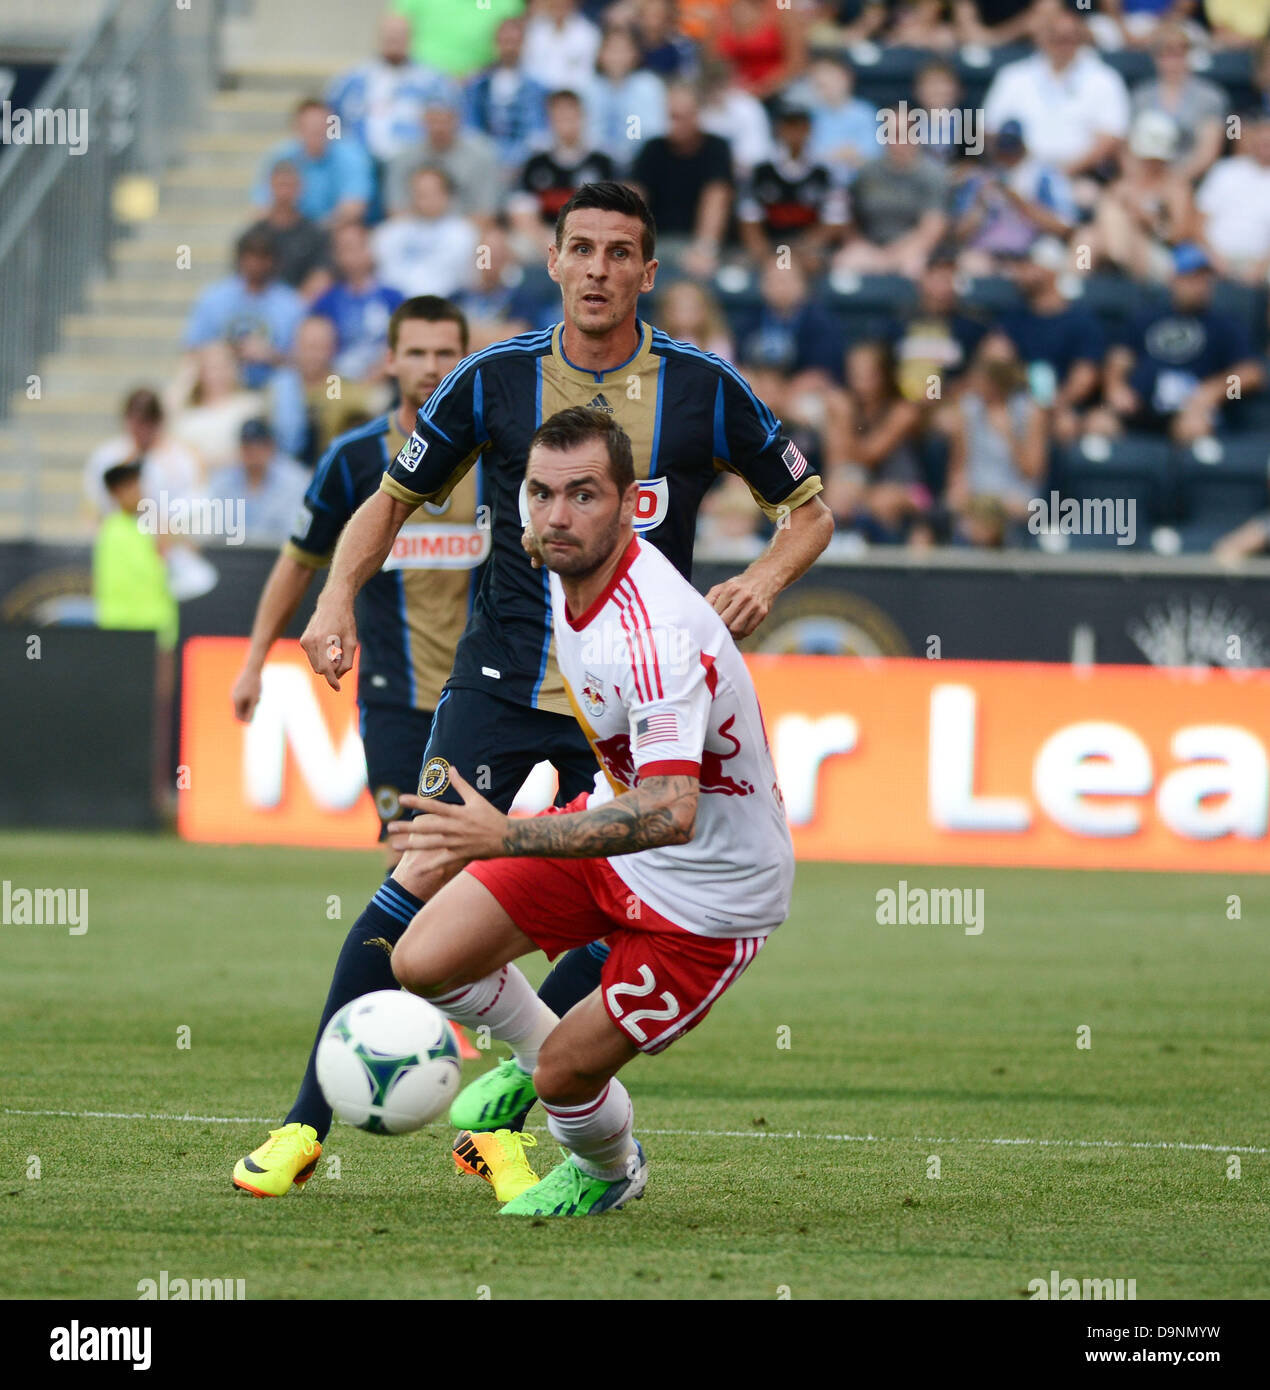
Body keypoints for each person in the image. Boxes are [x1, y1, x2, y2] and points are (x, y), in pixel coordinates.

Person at [267, 181, 831, 1205]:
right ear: (555, 262)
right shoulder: (492, 380)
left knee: (617, 889)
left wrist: (763, 577)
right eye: (583, 249)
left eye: (622, 252)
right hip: (498, 678)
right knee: (417, 884)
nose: (601, 269)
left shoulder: (703, 390)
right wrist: (338, 597)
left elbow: (808, 508)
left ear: (648, 273)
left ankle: (548, 1090)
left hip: (624, 704)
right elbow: (388, 501)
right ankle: (305, 1120)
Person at [384, 406, 794, 1216]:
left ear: (633, 505)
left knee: (568, 1074)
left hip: (710, 898)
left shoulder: (654, 634)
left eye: (583, 496)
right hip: (615, 837)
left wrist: (505, 834)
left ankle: (611, 1170)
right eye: (541, 494)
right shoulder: (564, 578)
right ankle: (536, 1056)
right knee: (420, 961)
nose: (557, 515)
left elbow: (673, 811)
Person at [229, 297, 487, 1195]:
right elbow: (299, 565)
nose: (428, 366)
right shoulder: (352, 465)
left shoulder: (502, 459)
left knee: (473, 904)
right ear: (390, 360)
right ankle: (338, 1106)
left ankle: (401, 1093)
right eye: (413, 352)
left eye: (444, 352)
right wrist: (257, 658)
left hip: (499, 716)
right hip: (397, 712)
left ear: (466, 359)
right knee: (418, 891)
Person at [1090, 243, 1265, 441]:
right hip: (1140, 407)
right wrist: (1116, 387)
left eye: (1204, 278)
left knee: (1193, 429)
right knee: (1098, 423)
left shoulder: (1224, 324)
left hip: (1191, 411)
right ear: (1174, 280)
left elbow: (1251, 374)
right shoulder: (1147, 317)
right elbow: (1120, 358)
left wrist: (1214, 391)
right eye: (1191, 278)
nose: (1199, 285)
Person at [93, 460, 180, 815]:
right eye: (130, 486)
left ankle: (152, 797)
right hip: (122, 636)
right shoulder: (113, 530)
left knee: (156, 718)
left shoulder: (146, 528)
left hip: (155, 635)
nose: (137, 492)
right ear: (116, 493)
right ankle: (121, 795)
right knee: (124, 718)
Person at [983, 6, 1130, 177]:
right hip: (1015, 174)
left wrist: (1061, 174)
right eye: (1055, 37)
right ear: (1041, 37)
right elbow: (987, 129)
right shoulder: (1013, 76)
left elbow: (1111, 136)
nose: (1061, 44)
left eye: (1068, 38)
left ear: (1079, 39)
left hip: (1081, 177)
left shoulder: (1105, 79)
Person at [944, 333, 1049, 546]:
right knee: (963, 515)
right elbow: (958, 469)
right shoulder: (967, 408)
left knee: (999, 517)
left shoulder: (1030, 410)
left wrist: (1009, 435)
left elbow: (1033, 472)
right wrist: (959, 491)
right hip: (976, 497)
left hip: (1014, 499)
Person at [999, 237, 1104, 443]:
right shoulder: (1014, 318)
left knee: (1065, 426)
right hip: (1017, 402)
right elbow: (994, 358)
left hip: (1062, 407)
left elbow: (1084, 378)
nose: (1019, 273)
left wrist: (1055, 404)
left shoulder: (1081, 321)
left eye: (1028, 265)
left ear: (1049, 270)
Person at [630, 81, 733, 277]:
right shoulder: (653, 148)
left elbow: (716, 199)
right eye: (670, 116)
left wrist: (704, 249)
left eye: (680, 117)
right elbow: (634, 199)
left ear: (696, 116)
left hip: (701, 243)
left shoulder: (716, 148)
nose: (673, 124)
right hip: (659, 241)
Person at [183, 228, 305, 391]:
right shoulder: (213, 298)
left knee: (286, 382)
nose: (256, 264)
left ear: (275, 261)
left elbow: (307, 362)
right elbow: (192, 349)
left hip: (273, 386)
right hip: (222, 384)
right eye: (250, 256)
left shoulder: (291, 304)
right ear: (239, 259)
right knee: (186, 374)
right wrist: (231, 351)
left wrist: (271, 356)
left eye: (263, 257)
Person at [737, 99, 848, 272]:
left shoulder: (826, 171)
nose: (795, 132)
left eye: (800, 125)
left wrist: (797, 251)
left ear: (809, 129)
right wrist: (766, 255)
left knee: (815, 264)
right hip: (769, 246)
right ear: (779, 129)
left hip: (809, 249)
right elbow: (749, 219)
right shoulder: (760, 170)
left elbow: (834, 221)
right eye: (789, 125)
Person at [833, 121, 949, 279]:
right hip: (870, 247)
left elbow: (932, 229)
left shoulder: (932, 175)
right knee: (845, 263)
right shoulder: (867, 172)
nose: (899, 142)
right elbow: (848, 218)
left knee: (915, 267)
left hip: (913, 249)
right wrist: (858, 243)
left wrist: (891, 257)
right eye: (893, 134)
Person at [268, 314, 382, 467]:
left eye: (320, 347)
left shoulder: (335, 385)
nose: (313, 354)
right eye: (307, 346)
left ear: (333, 349)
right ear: (294, 346)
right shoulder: (281, 386)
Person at [383, 91, 504, 223]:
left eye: (444, 121)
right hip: (415, 229)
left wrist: (453, 233)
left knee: (490, 242)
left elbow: (487, 212)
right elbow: (395, 210)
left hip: (467, 229)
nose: (438, 128)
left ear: (458, 120)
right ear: (422, 121)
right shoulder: (403, 158)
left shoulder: (481, 155)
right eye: (433, 121)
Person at [85, 387, 203, 520]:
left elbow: (194, 501)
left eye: (147, 422)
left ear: (159, 421)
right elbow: (95, 502)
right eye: (136, 422)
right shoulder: (107, 457)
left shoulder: (182, 458)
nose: (142, 429)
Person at [1130, 22, 1227, 185]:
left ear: (1190, 54)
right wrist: (1141, 180)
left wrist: (1172, 181)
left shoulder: (1210, 96)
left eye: (1179, 52)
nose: (1172, 60)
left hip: (1191, 180)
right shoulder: (1141, 95)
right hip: (1144, 178)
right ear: (1155, 57)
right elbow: (1128, 147)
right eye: (1165, 53)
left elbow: (1207, 153)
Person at [252, 99, 374, 226]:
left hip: (333, 230)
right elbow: (263, 207)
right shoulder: (279, 157)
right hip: (292, 230)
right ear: (297, 128)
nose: (317, 134)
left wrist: (314, 234)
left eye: (321, 127)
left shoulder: (350, 156)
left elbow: (354, 208)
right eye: (310, 128)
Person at [310, 221, 404, 381]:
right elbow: (317, 351)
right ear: (336, 256)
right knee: (332, 398)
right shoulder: (325, 302)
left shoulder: (393, 298)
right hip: (337, 382)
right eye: (345, 249)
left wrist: (375, 378)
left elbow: (404, 344)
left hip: (384, 381)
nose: (352, 255)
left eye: (358, 246)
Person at [371, 166, 481, 299]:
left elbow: (477, 278)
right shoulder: (387, 233)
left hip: (448, 306)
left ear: (447, 195)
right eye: (421, 193)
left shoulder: (468, 234)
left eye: (433, 193)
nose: (427, 200)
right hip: (397, 307)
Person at [463, 17, 550, 173]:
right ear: (495, 44)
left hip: (526, 167)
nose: (509, 47)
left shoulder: (538, 88)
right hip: (486, 165)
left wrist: (518, 161)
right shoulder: (478, 87)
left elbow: (538, 133)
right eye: (505, 41)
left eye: (514, 41)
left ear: (523, 44)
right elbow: (471, 130)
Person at [207, 419, 309, 546]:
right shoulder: (223, 480)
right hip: (232, 557)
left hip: (278, 556)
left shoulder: (295, 480)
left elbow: (297, 533)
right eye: (248, 447)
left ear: (271, 446)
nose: (253, 453)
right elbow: (213, 532)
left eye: (259, 446)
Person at [1195, 111, 1270, 285]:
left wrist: (1261, 266)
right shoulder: (1224, 171)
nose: (1265, 147)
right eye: (1262, 142)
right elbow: (1197, 222)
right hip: (1213, 257)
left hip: (1261, 262)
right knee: (1188, 271)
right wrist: (1214, 257)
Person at [241, 161, 332, 297]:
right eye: (280, 185)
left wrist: (292, 307)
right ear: (270, 187)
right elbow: (243, 277)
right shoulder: (254, 234)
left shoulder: (314, 233)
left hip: (302, 308)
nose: (284, 192)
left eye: (289, 186)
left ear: (300, 189)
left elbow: (322, 275)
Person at [586, 23, 668, 172]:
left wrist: (628, 153)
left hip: (640, 162)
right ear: (600, 54)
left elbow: (652, 130)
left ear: (635, 55)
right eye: (612, 50)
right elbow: (587, 130)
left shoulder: (648, 85)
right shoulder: (588, 87)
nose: (617, 57)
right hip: (596, 163)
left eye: (624, 50)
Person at [520, 0, 602, 94]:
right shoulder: (533, 31)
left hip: (575, 96)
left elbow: (587, 72)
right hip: (539, 94)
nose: (559, 4)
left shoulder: (589, 33)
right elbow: (529, 68)